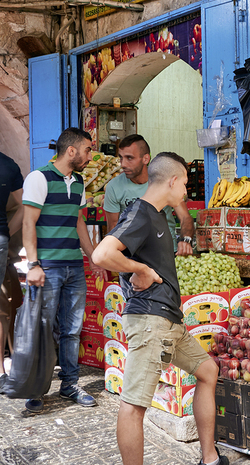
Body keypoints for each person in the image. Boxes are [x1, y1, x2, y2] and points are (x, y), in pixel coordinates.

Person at [93, 153, 228, 465]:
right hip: (150, 321)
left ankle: (210, 459)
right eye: (184, 183)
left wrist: (141, 269)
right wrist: (139, 269)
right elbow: (102, 254)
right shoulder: (139, 213)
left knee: (207, 371)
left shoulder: (156, 216)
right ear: (171, 180)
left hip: (169, 320)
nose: (186, 191)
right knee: (134, 404)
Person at [21, 128, 99, 413]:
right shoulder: (39, 178)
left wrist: (92, 256)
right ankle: (37, 389)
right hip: (47, 267)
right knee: (43, 330)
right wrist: (33, 264)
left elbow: (79, 222)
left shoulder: (78, 181)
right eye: (87, 150)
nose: (90, 157)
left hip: (74, 266)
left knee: (72, 330)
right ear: (71, 151)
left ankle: (69, 384)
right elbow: (28, 223)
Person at [105, 135, 195, 256]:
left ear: (145, 159)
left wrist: (185, 239)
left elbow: (185, 217)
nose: (123, 164)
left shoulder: (162, 180)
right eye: (121, 158)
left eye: (130, 158)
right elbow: (113, 227)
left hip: (167, 252)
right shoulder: (114, 187)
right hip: (134, 256)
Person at [0, 151, 24, 382]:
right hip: (4, 244)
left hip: (5, 248)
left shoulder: (8, 166)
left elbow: (22, 207)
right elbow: (24, 206)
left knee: (6, 304)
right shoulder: (8, 165)